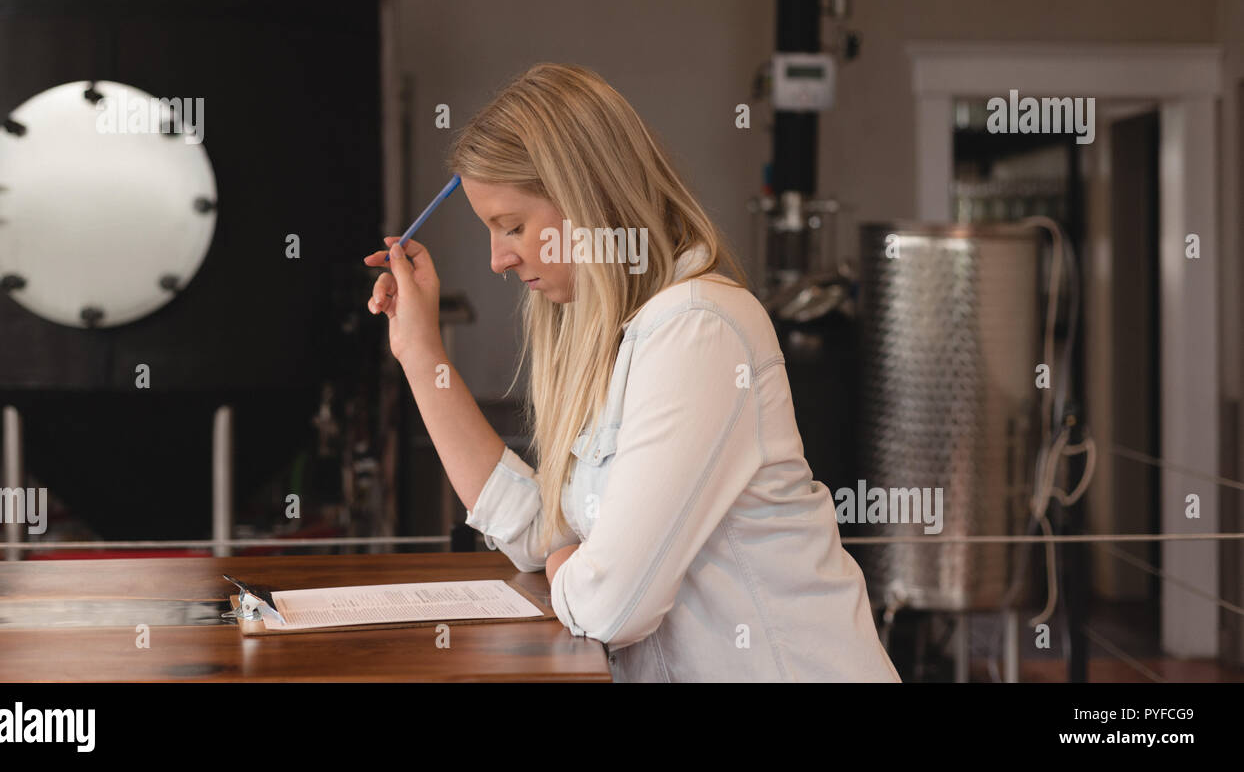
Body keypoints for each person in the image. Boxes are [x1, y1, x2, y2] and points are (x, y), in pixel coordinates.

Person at [364, 62, 900, 682]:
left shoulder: (697, 330)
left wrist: (571, 562)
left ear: (587, 198)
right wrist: (419, 351)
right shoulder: (624, 334)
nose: (497, 259)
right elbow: (542, 534)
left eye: (512, 226)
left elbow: (609, 606)